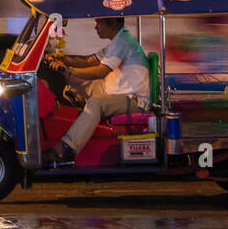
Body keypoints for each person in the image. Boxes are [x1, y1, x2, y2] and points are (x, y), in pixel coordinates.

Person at [43, 17, 150, 163]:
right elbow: (90, 60)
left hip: (133, 100)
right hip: (114, 92)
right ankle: (79, 125)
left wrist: (71, 71)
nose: (95, 27)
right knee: (73, 86)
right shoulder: (118, 40)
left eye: (98, 23)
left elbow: (101, 71)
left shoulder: (123, 41)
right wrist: (62, 59)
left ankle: (66, 148)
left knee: (95, 103)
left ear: (112, 23)